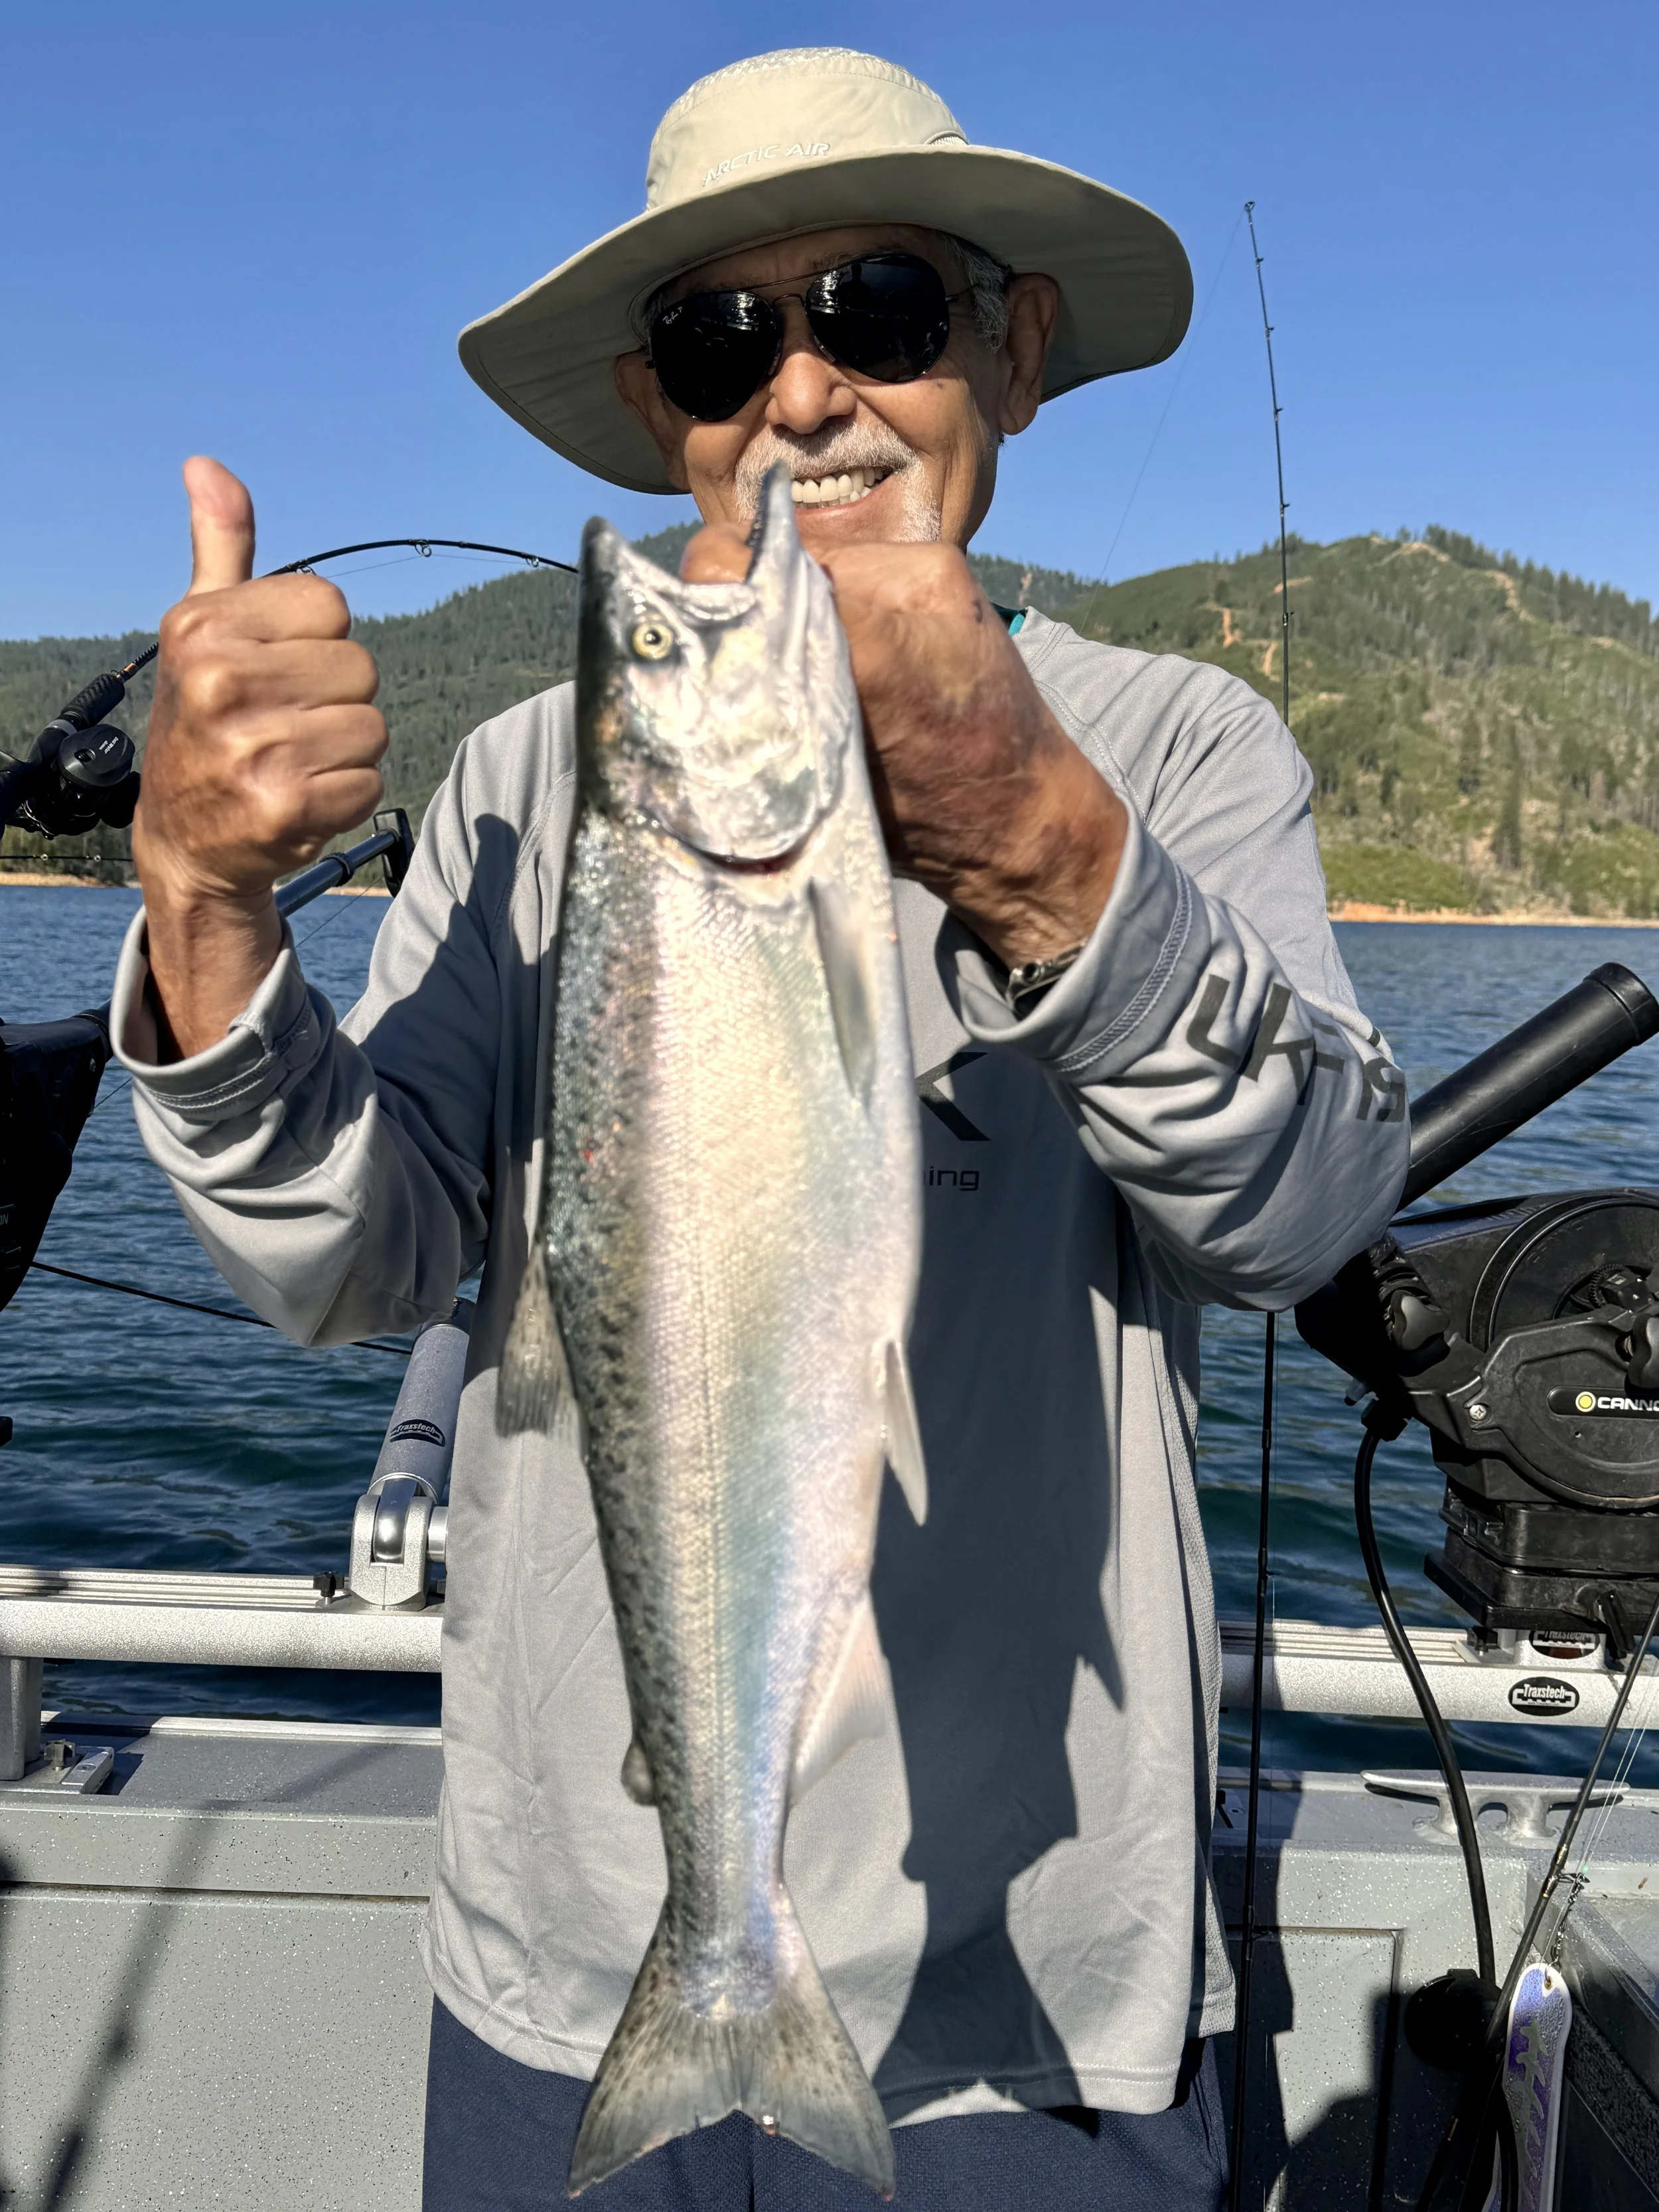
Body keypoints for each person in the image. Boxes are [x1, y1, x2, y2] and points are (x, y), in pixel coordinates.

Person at [113, 46, 1408, 2212]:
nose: (803, 393)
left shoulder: (1174, 748)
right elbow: (347, 1261)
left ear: (1010, 343)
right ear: (661, 410)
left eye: (878, 308)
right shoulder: (534, 779)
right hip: (569, 1963)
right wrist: (207, 908)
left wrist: (1032, 840)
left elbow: (1296, 1205)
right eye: (725, 338)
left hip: (1029, 1999)